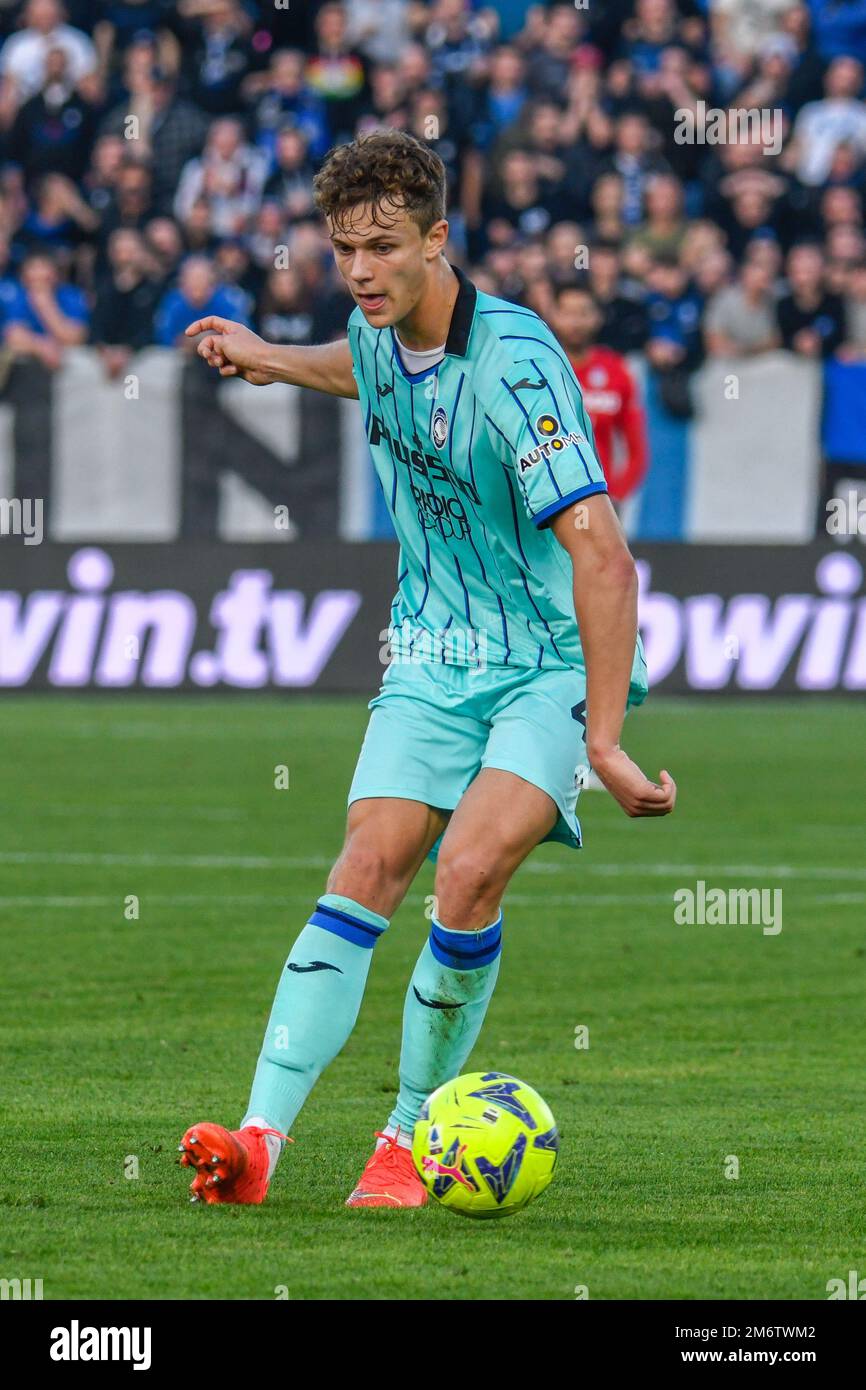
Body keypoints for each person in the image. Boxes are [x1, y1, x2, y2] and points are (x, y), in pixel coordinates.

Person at [179, 129, 675, 1210]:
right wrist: (263, 353)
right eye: (342, 246)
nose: (358, 269)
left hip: (545, 659)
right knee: (366, 863)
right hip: (431, 650)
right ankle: (257, 1140)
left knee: (468, 870)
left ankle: (408, 1138)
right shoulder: (373, 332)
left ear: (437, 240)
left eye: (382, 247)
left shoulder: (517, 365)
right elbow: (351, 370)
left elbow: (601, 551)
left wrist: (601, 736)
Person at [554, 282, 648, 507]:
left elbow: (636, 448)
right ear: (554, 315)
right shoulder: (540, 367)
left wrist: (616, 494)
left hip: (600, 499)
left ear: (597, 317)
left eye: (583, 313)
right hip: (548, 502)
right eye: (568, 313)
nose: (575, 322)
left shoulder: (616, 370)